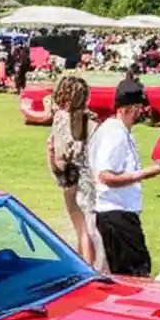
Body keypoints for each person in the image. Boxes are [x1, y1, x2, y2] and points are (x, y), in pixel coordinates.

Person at [88, 79, 160, 276]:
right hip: (116, 214)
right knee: (135, 274)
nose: (142, 112)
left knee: (130, 272)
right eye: (139, 108)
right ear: (130, 108)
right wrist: (148, 172)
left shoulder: (120, 131)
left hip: (121, 213)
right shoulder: (114, 134)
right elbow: (106, 176)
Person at [47, 76, 103, 269]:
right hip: (90, 177)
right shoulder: (92, 120)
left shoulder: (61, 118)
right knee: (88, 225)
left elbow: (60, 157)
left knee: (82, 228)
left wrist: (53, 160)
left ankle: (86, 268)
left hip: (71, 178)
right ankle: (85, 263)